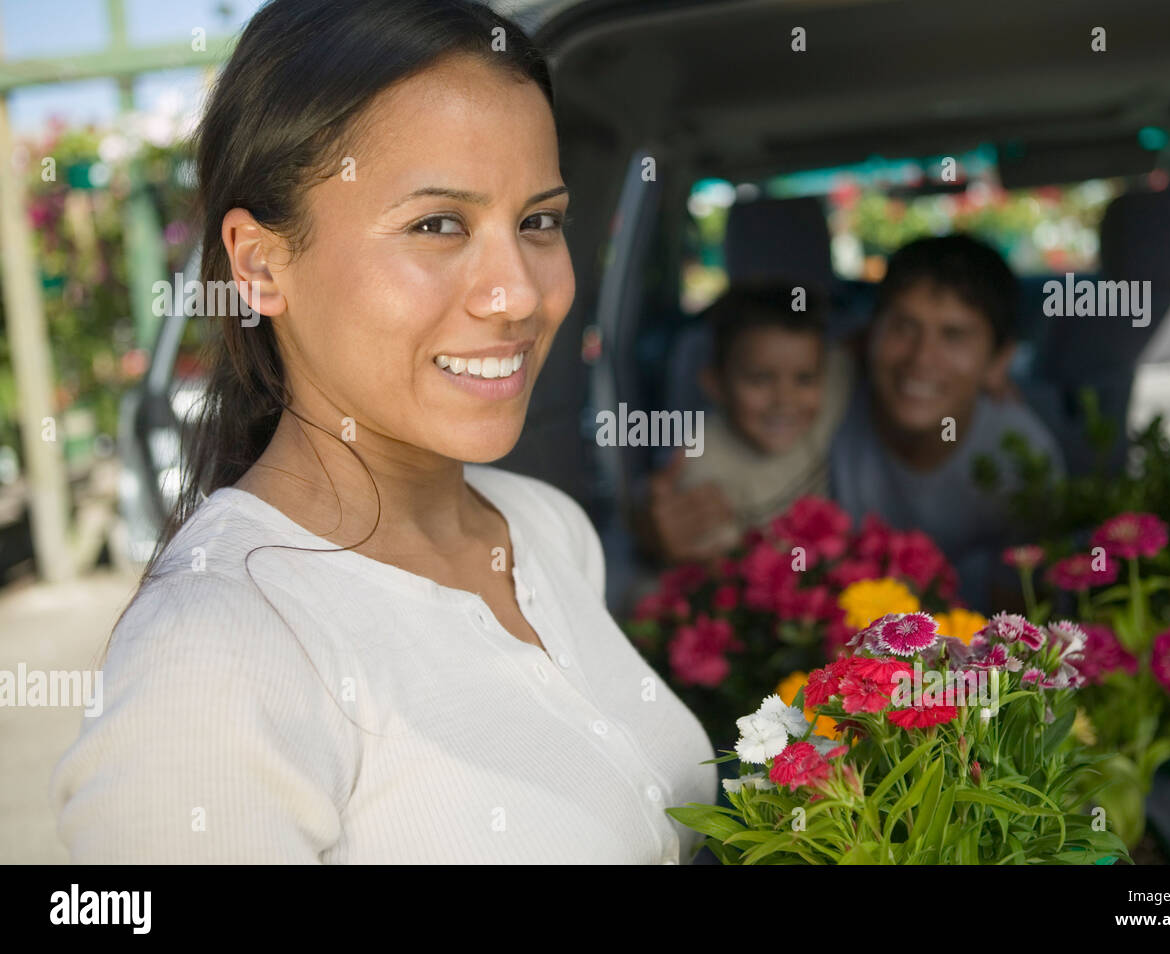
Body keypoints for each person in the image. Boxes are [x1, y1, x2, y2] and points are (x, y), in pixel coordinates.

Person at [49, 0, 715, 864]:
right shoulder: (215, 656)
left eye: (539, 221)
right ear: (259, 264)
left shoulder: (544, 528)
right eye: (437, 224)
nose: (517, 292)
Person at [829, 234, 1065, 607]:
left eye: (954, 336)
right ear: (869, 335)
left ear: (998, 362)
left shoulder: (1024, 461)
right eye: (903, 327)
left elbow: (1019, 620)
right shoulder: (818, 400)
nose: (922, 358)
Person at [646, 282, 853, 563]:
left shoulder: (827, 396)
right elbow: (715, 565)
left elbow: (859, 353)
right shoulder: (700, 462)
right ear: (715, 384)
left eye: (804, 379)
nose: (785, 400)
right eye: (760, 379)